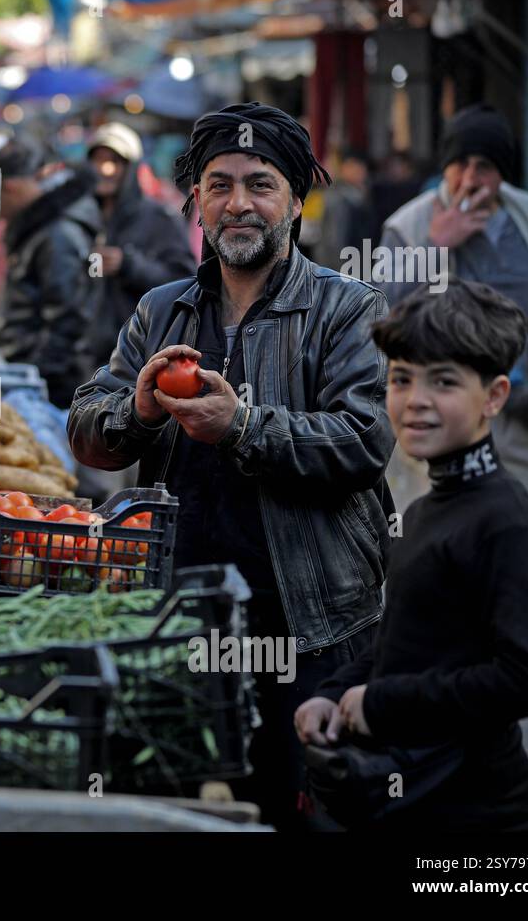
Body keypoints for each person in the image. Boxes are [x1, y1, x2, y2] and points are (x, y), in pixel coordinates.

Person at [66, 102, 395, 830]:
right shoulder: (161, 312)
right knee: (177, 799)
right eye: (219, 184)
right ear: (196, 202)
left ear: (294, 199)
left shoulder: (346, 310)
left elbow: (362, 441)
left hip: (308, 619)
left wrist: (241, 425)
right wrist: (140, 413)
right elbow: (88, 429)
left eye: (260, 183)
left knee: (302, 806)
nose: (238, 203)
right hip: (186, 611)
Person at [296, 280, 528, 831]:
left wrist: (384, 704)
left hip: (480, 818)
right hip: (411, 796)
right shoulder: (426, 511)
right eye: (401, 379)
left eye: (443, 382)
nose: (416, 400)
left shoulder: (507, 523)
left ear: (493, 397)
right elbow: (403, 640)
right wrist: (333, 694)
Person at [378, 104, 528, 529]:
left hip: (524, 415)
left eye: (484, 167)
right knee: (447, 547)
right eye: (460, 165)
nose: (470, 179)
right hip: (442, 416)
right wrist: (437, 243)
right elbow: (380, 312)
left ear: (502, 173)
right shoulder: (408, 227)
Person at [0, 138, 100, 409]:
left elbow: (68, 319)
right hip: (24, 373)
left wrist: (37, 378)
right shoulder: (38, 226)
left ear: (10, 188)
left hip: (46, 387)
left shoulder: (57, 235)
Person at [83, 122, 195, 368]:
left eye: (114, 161)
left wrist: (129, 265)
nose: (105, 169)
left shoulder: (159, 218)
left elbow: (185, 283)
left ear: (131, 168)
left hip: (137, 356)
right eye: (98, 161)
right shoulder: (84, 216)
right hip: (85, 354)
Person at [316, 146, 374, 268]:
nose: (360, 171)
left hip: (357, 266)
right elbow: (335, 240)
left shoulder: (360, 196)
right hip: (342, 269)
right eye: (353, 166)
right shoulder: (337, 198)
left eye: (361, 167)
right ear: (343, 168)